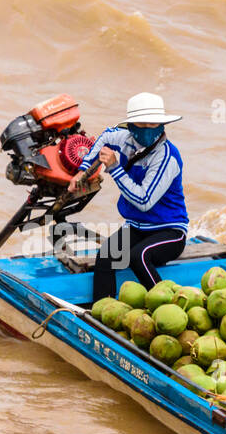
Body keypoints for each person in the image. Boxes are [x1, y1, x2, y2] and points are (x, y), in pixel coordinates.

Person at [69, 92, 188, 302]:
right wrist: (83, 170)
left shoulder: (167, 157)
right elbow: (105, 137)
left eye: (153, 125)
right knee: (105, 257)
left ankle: (170, 305)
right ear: (131, 127)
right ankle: (102, 312)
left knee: (138, 257)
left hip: (169, 231)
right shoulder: (126, 139)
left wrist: (115, 168)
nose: (148, 130)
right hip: (137, 227)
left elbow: (144, 201)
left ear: (162, 126)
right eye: (142, 125)